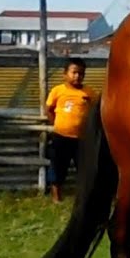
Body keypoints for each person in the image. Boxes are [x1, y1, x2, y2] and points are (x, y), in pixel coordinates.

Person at [44, 57, 96, 204]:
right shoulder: (58, 91)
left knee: (85, 168)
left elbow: (96, 111)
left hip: (82, 139)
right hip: (61, 136)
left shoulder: (89, 93)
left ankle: (84, 197)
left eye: (81, 73)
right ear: (65, 74)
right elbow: (48, 109)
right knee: (58, 166)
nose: (77, 76)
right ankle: (56, 196)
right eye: (74, 73)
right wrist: (55, 124)